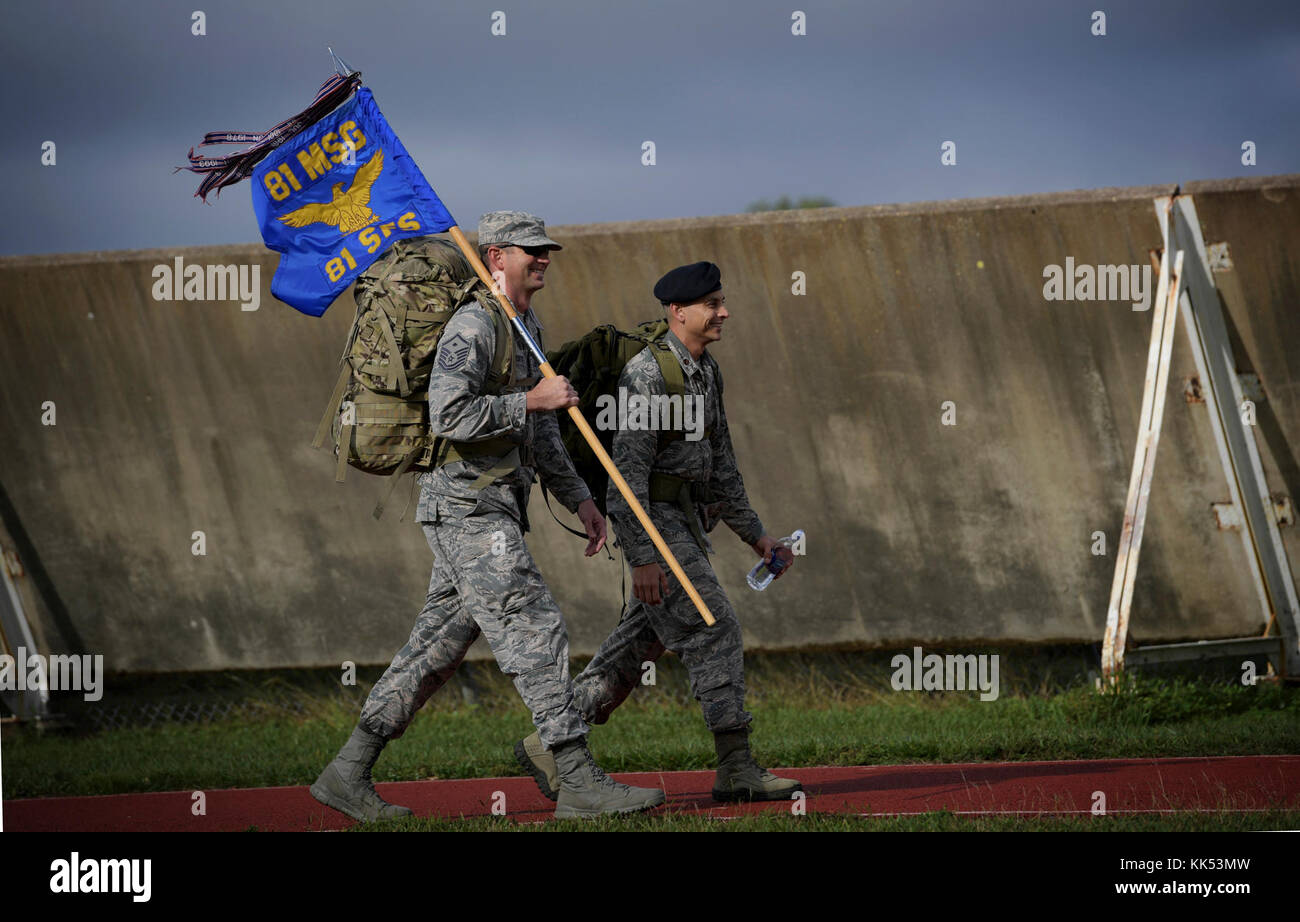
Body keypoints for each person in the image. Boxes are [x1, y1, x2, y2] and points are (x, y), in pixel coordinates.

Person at [311, 211, 666, 821]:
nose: (544, 258)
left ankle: (347, 771)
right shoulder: (474, 324)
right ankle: (576, 776)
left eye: (548, 248)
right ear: (496, 257)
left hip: (492, 504)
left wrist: (579, 497)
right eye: (531, 250)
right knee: (533, 622)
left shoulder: (524, 323)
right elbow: (449, 415)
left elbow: (544, 430)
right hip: (466, 505)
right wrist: (531, 398)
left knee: (438, 646)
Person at [513, 261, 802, 803]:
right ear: (678, 312)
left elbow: (723, 467)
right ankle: (736, 768)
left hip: (690, 523)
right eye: (713, 304)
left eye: (722, 301)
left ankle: (548, 743)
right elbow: (625, 479)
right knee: (713, 625)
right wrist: (644, 557)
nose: (724, 312)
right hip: (656, 524)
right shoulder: (648, 375)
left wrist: (758, 538)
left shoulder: (707, 371)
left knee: (634, 650)